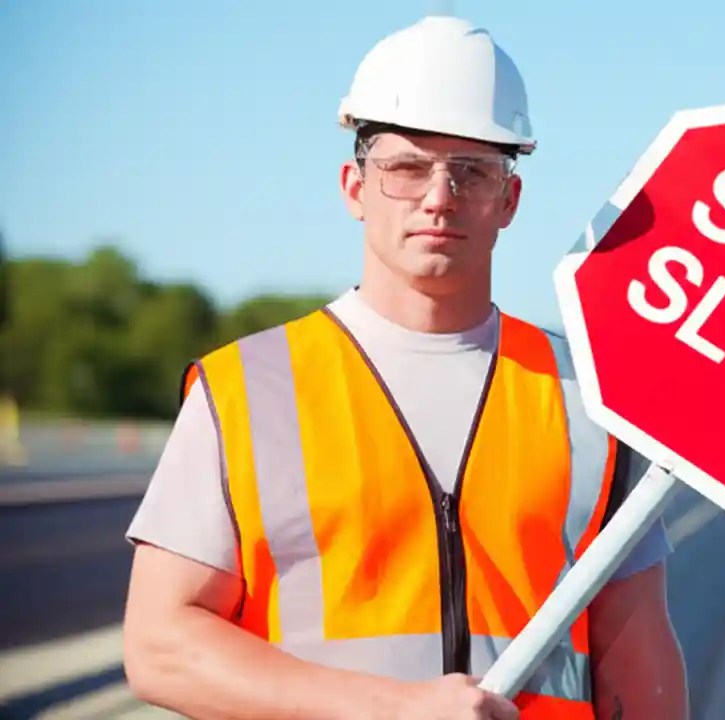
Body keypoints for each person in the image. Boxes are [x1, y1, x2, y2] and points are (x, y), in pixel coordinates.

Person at [121, 12, 689, 720]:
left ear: (509, 200)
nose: (438, 196)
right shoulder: (245, 390)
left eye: (473, 171)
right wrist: (390, 707)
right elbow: (160, 645)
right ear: (354, 187)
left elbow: (634, 658)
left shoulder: (595, 399)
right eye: (405, 167)